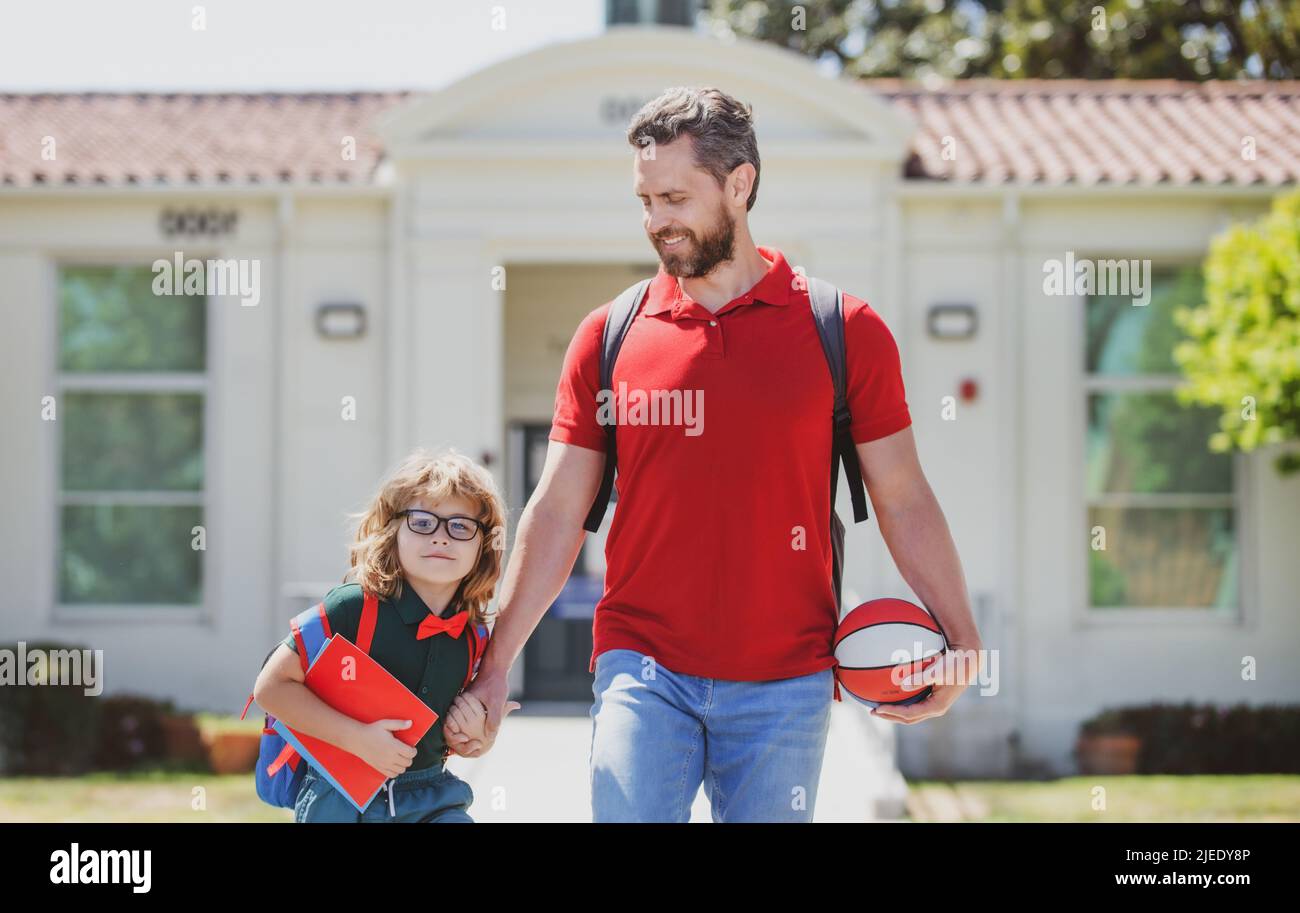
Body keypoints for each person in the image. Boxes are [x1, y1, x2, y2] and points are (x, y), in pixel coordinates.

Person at [447, 86, 983, 822]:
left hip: (788, 679)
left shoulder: (843, 330)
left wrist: (962, 637)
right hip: (643, 667)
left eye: (673, 195)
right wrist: (495, 665)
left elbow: (902, 495)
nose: (656, 220)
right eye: (644, 199)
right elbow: (560, 507)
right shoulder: (609, 336)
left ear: (741, 183)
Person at [252, 447, 517, 822]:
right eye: (423, 522)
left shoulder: (473, 635)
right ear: (392, 530)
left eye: (460, 526)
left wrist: (471, 735)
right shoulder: (353, 607)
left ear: (483, 545)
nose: (441, 537)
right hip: (339, 796)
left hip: (432, 796)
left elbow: (449, 733)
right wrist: (356, 738)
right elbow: (271, 688)